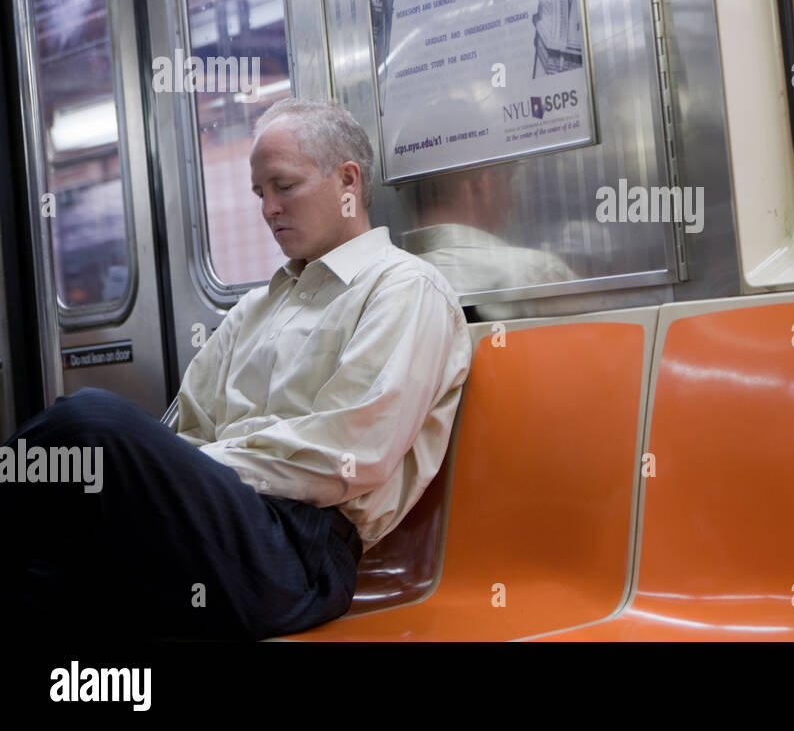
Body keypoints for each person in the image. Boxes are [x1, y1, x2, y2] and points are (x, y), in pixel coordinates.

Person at [0, 99, 471, 639]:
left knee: (89, 427)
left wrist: (185, 473)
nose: (268, 209)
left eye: (284, 186)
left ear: (346, 181)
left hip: (299, 555)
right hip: (220, 524)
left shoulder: (404, 289)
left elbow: (348, 453)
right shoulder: (253, 308)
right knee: (41, 578)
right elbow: (186, 428)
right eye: (259, 193)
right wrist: (175, 474)